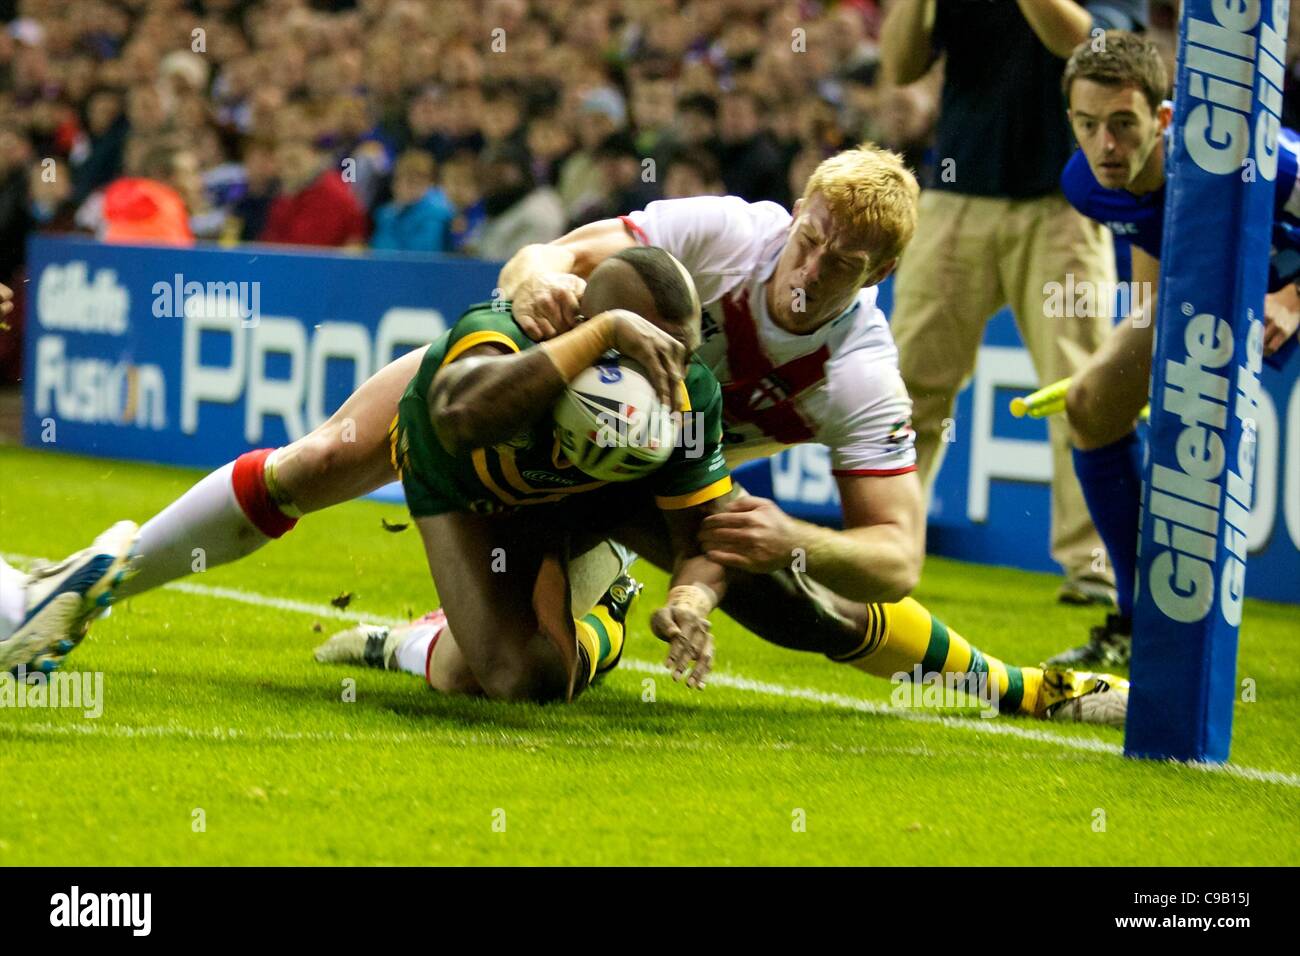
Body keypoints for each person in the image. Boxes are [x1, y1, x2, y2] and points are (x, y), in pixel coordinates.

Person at [7, 149, 1125, 724]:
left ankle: (1021, 689)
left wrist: (797, 532)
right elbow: (542, 261)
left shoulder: (860, 371)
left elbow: (895, 554)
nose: (809, 266)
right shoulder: (724, 231)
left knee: (545, 674)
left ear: (876, 279)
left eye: (840, 263)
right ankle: (78, 580)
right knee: (320, 460)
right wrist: (551, 287)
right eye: (812, 236)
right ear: (799, 212)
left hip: (657, 476)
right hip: (539, 394)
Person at [1046, 32, 1300, 666]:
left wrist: (1293, 300)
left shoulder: (1257, 155)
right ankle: (1141, 623)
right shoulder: (1086, 184)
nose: (1106, 144)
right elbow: (1152, 236)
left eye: (1124, 124)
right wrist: (1141, 350)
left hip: (1289, 291)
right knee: (1091, 403)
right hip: (1215, 299)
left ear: (1162, 118)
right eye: (1088, 124)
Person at [881, 0, 1145, 607]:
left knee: (1085, 391)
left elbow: (1087, 48)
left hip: (1065, 206)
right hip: (955, 199)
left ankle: (1094, 565)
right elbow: (900, 66)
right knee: (908, 389)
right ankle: (885, 544)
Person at [369, 149, 455, 253]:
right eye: (402, 180)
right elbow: (380, 250)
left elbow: (425, 253)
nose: (409, 187)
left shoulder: (439, 216)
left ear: (430, 183)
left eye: (416, 182)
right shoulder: (385, 215)